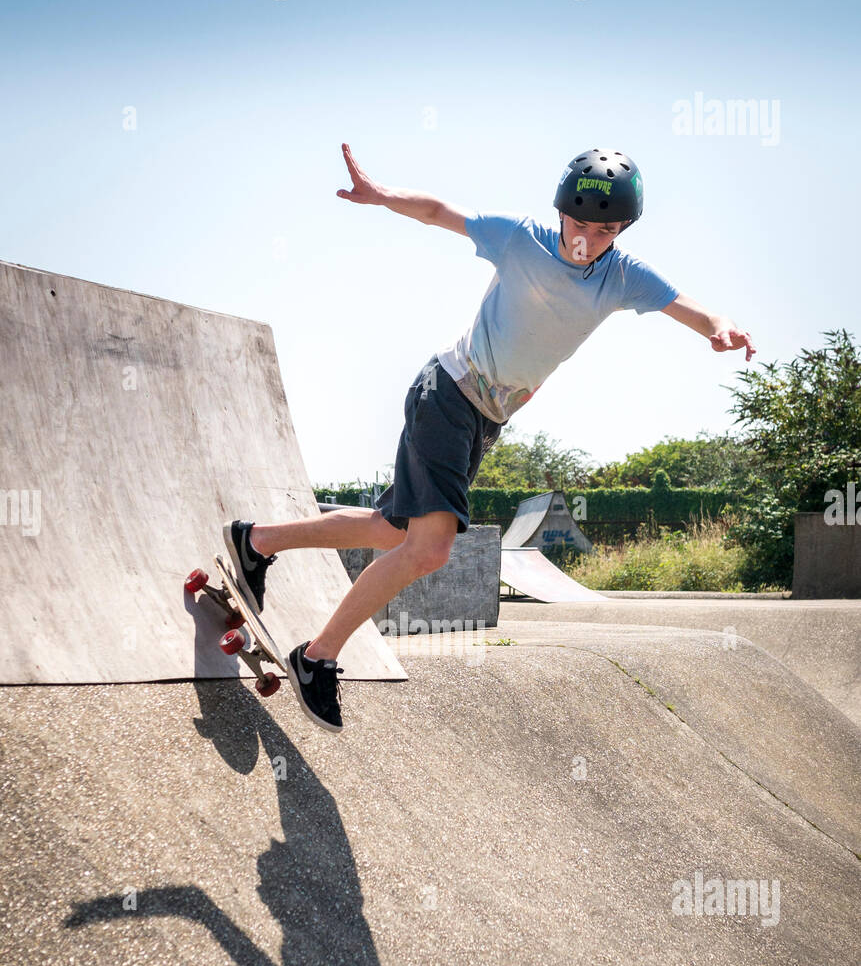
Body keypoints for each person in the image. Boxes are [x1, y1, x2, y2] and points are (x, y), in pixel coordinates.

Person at [224, 142, 755, 733]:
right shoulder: (519, 238)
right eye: (579, 224)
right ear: (560, 213)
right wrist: (381, 196)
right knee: (431, 548)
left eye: (604, 230)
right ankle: (317, 657)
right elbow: (440, 212)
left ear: (621, 228)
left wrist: (719, 326)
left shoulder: (623, 276)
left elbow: (684, 304)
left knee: (389, 530)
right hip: (446, 393)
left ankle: (257, 540)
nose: (586, 240)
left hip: (484, 419)